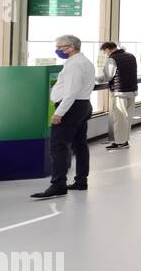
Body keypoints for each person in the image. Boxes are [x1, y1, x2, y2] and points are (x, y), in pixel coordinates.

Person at [31, 35, 96, 199]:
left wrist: (59, 113)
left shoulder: (75, 65)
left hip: (71, 108)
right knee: (80, 145)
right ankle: (81, 181)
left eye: (60, 47)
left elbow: (71, 92)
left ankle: (58, 184)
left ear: (70, 47)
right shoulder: (85, 62)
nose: (58, 50)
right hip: (82, 106)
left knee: (58, 146)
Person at [99, 42, 137, 150]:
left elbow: (108, 76)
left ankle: (120, 143)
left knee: (119, 118)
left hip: (120, 93)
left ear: (108, 49)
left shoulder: (112, 59)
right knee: (127, 118)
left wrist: (96, 78)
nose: (105, 54)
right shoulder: (131, 56)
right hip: (132, 91)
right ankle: (124, 141)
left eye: (105, 52)